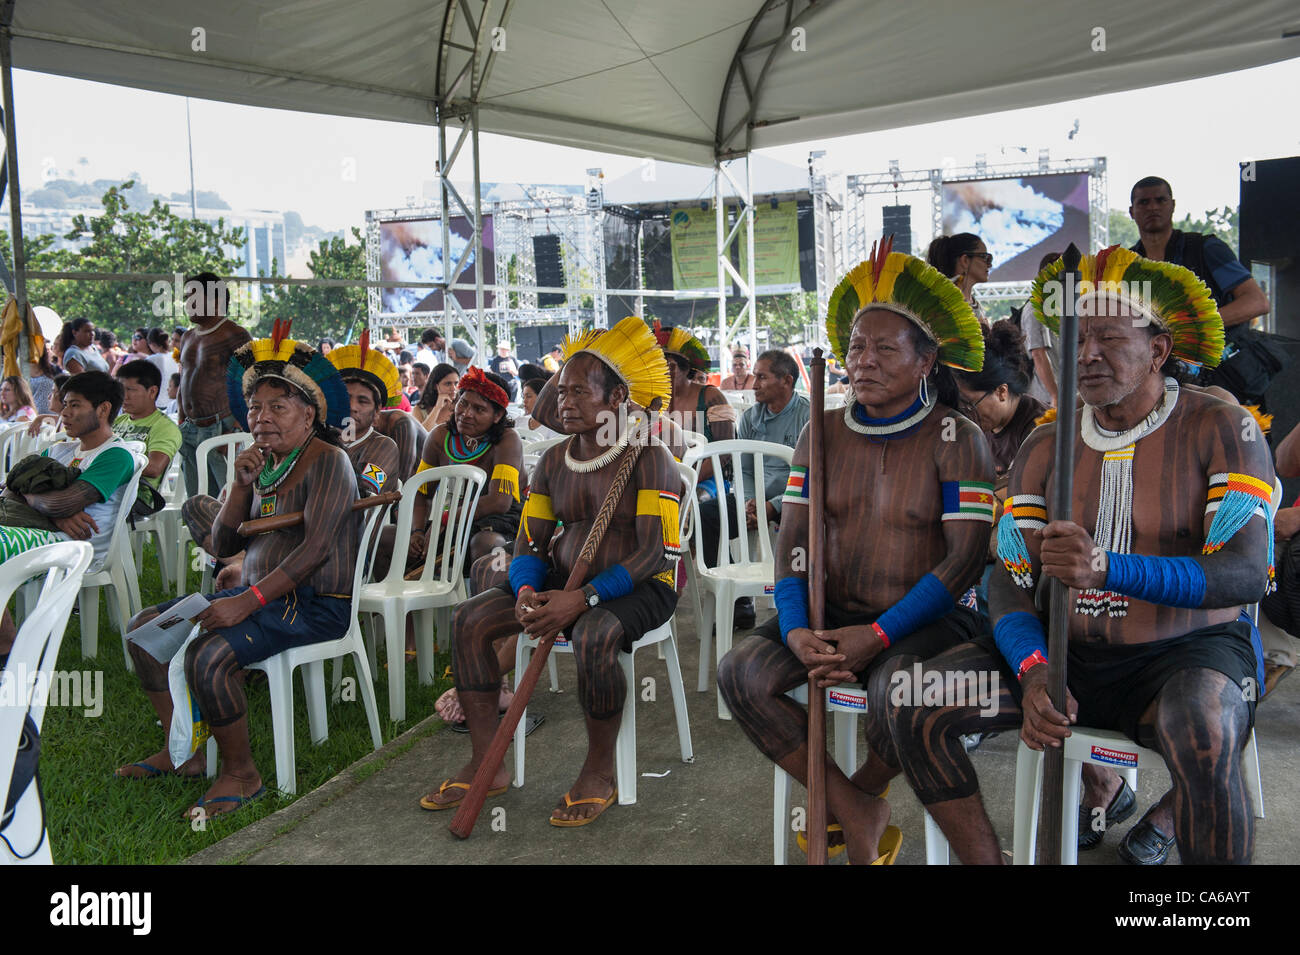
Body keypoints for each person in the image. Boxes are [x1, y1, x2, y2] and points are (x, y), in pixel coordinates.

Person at [885, 247, 1272, 866]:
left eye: (1109, 338)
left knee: (1201, 729)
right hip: (1064, 657)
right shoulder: (1044, 445)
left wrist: (1111, 568)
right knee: (913, 697)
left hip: (1184, 657)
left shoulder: (1221, 426)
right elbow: (1010, 582)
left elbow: (1246, 572)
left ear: (1158, 350)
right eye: (1077, 337)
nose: (1086, 353)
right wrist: (1035, 667)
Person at [717, 247, 993, 865]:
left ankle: (867, 784)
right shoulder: (823, 431)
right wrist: (793, 628)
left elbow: (964, 563)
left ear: (927, 362)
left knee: (901, 690)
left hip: (927, 619)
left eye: (884, 349)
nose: (863, 361)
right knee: (741, 673)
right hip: (827, 608)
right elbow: (792, 544)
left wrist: (878, 633)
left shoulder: (959, 438)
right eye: (857, 346)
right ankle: (853, 804)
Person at [419, 316, 680, 826]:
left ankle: (599, 771)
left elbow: (657, 554)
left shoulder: (649, 457)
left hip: (641, 586)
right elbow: (530, 544)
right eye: (562, 390)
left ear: (617, 398)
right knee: (471, 619)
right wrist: (524, 591)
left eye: (580, 391)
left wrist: (583, 600)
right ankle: (485, 762)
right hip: (563, 582)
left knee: (595, 634)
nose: (564, 401)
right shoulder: (555, 462)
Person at [117, 331, 360, 818]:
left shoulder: (330, 462)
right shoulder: (264, 463)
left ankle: (242, 775)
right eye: (255, 408)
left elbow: (314, 551)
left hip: (315, 607)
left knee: (209, 656)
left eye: (277, 407)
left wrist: (246, 603)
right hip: (259, 595)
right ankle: (182, 750)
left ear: (309, 414)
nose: (261, 417)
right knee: (145, 632)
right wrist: (238, 485)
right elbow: (223, 546)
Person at [0, 372, 137, 669]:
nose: (64, 413)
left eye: (75, 405)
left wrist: (50, 504)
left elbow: (62, 501)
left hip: (76, 548)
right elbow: (11, 491)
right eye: (64, 404)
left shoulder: (116, 456)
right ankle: (7, 643)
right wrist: (58, 515)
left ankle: (7, 647)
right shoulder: (59, 449)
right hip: (47, 533)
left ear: (102, 409)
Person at [730, 349, 811, 628]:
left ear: (787, 381)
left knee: (801, 514)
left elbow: (809, 476)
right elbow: (744, 470)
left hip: (794, 500)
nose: (754, 385)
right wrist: (751, 502)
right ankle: (741, 602)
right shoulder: (750, 418)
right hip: (756, 499)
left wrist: (773, 505)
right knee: (712, 515)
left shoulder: (808, 418)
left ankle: (795, 603)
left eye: (762, 378)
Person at [176, 272, 252, 497]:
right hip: (190, 427)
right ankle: (201, 533)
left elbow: (251, 382)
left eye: (193, 297)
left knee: (227, 498)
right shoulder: (188, 336)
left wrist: (236, 428)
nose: (187, 304)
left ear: (215, 300)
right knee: (197, 498)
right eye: (186, 297)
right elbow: (183, 380)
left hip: (222, 426)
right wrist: (182, 420)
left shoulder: (235, 334)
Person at [953, 320, 1046, 482]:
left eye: (970, 404)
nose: (965, 414)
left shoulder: (1039, 427)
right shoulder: (980, 428)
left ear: (1001, 392)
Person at [326, 334, 401, 497]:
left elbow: (364, 492)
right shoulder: (319, 440)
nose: (352, 407)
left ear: (376, 413)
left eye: (363, 401)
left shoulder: (385, 447)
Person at [112, 361, 181, 489]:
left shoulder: (164, 427)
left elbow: (154, 468)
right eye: (121, 390)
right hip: (108, 487)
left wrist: (106, 463)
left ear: (152, 392)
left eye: (130, 390)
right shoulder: (117, 421)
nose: (124, 396)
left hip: (136, 497)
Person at [1020, 252, 1063, 407]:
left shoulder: (1061, 309)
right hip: (1048, 399)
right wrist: (1055, 395)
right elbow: (1038, 354)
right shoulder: (1036, 309)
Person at [927, 233, 991, 328]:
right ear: (965, 260)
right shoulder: (945, 303)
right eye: (985, 257)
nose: (989, 264)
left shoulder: (973, 303)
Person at [412, 363, 458, 429]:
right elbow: (421, 436)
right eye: (448, 384)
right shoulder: (419, 410)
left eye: (456, 383)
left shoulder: (459, 407)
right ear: (435, 386)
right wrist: (437, 408)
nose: (454, 388)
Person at [146, 327, 179, 410]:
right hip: (173, 403)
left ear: (152, 344)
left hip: (157, 403)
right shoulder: (175, 356)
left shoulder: (150, 359)